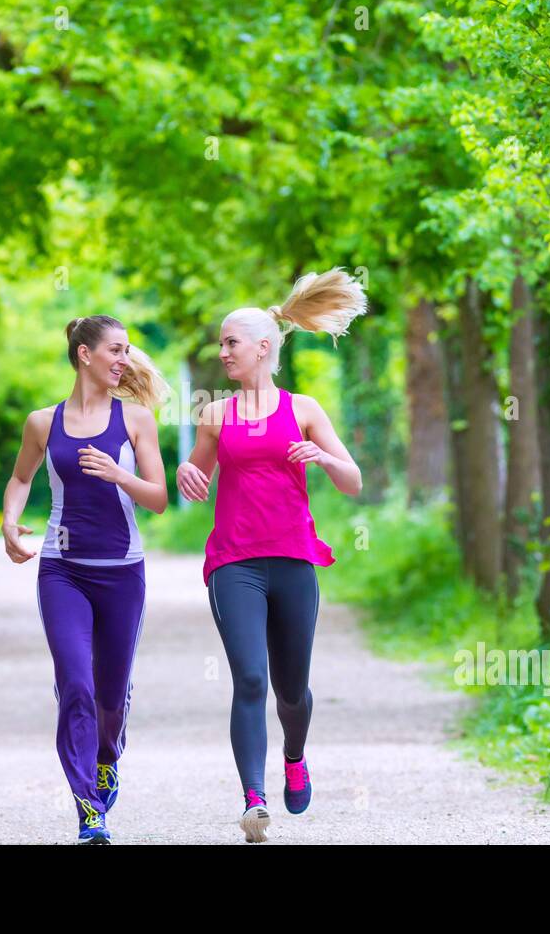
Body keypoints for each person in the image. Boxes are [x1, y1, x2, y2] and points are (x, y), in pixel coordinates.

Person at [176, 268, 366, 843]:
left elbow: (353, 480)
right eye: (220, 343)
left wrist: (324, 458)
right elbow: (197, 473)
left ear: (263, 348)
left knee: (291, 688)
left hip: (292, 562)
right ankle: (253, 799)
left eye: (231, 342)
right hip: (233, 563)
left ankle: (295, 753)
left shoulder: (303, 409)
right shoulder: (214, 415)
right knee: (251, 679)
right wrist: (188, 470)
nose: (223, 351)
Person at [1, 314, 169, 844]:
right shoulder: (41, 422)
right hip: (62, 571)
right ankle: (87, 809)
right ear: (85, 355)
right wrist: (8, 522)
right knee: (75, 683)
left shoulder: (137, 420)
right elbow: (21, 477)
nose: (125, 360)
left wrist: (120, 474)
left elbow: (161, 500)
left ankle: (106, 757)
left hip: (122, 573)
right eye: (116, 350)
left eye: (127, 351)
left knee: (110, 697)